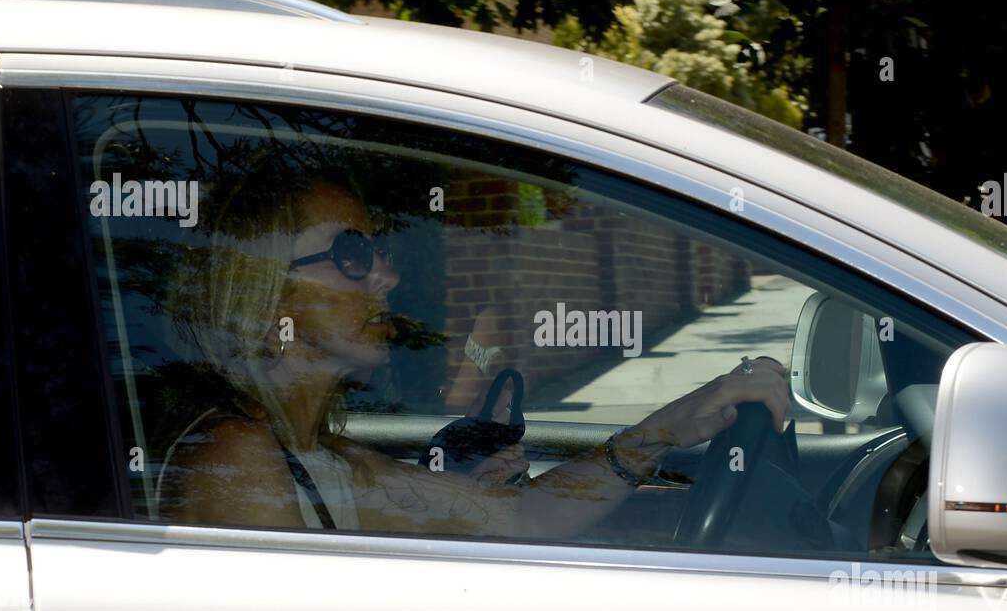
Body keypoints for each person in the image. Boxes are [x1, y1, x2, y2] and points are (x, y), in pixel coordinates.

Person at [161, 167, 789, 541]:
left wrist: (662, 431)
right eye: (354, 254)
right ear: (266, 298)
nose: (387, 277)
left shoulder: (322, 458)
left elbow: (528, 517)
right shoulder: (238, 458)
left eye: (382, 252)